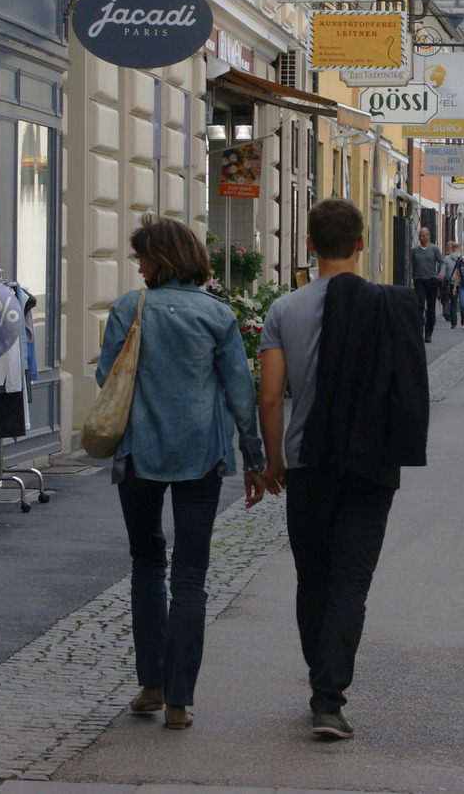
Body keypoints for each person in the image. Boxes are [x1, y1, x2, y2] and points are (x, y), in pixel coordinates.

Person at [257, 197, 430, 741]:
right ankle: (328, 701)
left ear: (309, 245)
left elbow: (269, 398)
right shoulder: (386, 305)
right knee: (350, 584)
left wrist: (274, 459)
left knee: (314, 578)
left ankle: (321, 682)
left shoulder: (284, 310)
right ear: (360, 244)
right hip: (369, 462)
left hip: (309, 461)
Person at [95, 218, 269, 732]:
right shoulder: (217, 314)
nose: (139, 267)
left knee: (147, 562)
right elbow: (241, 390)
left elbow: (108, 375)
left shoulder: (131, 308)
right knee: (190, 576)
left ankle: (151, 682)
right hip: (201, 457)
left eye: (143, 258)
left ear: (161, 259)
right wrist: (255, 459)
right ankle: (179, 701)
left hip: (139, 456)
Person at [408, 226, 442, 344]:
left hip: (432, 280)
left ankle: (428, 333)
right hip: (419, 280)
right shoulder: (415, 250)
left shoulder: (434, 249)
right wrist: (414, 277)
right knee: (420, 306)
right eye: (420, 236)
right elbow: (412, 265)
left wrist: (440, 273)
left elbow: (441, 261)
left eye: (423, 235)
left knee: (430, 308)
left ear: (428, 236)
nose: (421, 238)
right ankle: (419, 331)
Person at [439, 243, 462, 327]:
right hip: (462, 283)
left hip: (451, 283)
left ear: (452, 249)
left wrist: (441, 276)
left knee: (453, 302)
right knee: (463, 303)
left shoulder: (447, 259)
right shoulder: (463, 259)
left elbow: (442, 272)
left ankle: (454, 322)